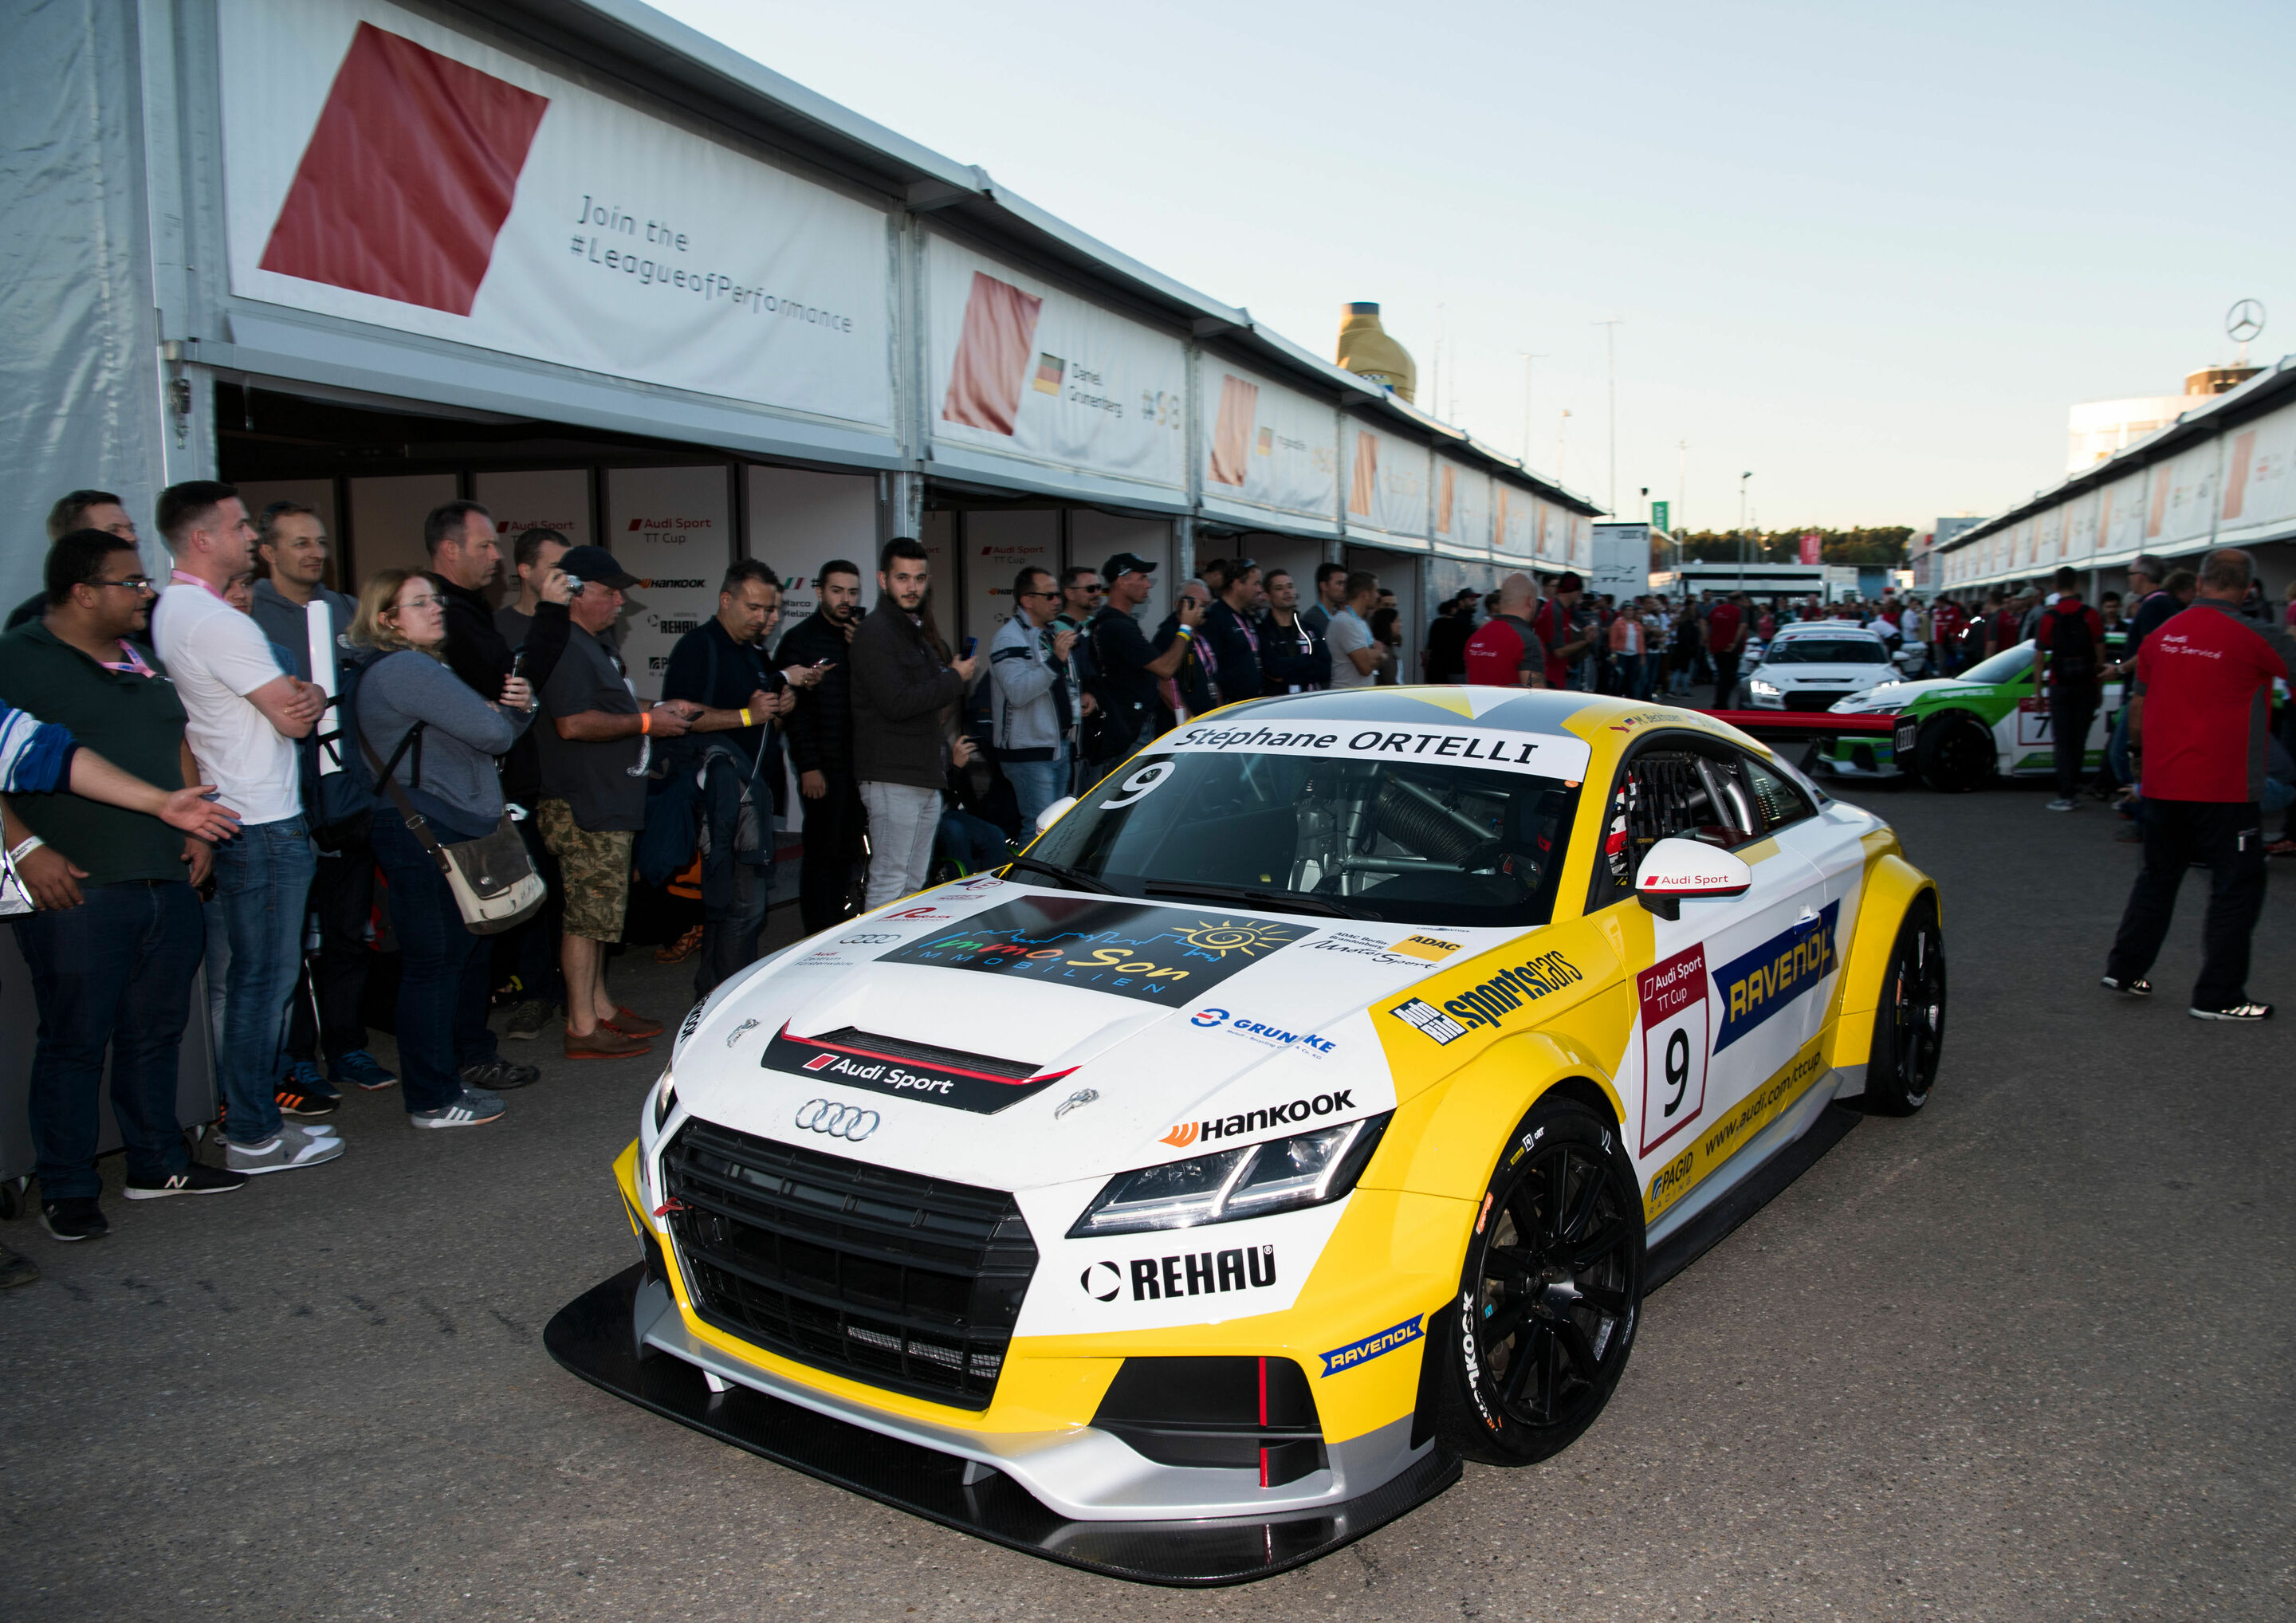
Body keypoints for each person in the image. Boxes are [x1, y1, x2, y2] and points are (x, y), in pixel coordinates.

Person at [0, 531, 247, 1244]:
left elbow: (176, 737)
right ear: (82, 592)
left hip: (164, 878)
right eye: (131, 583)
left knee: (156, 1032)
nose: (147, 594)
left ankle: (157, 1162)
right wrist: (24, 845)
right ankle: (69, 1186)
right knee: (75, 1040)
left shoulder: (140, 660)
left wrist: (196, 826)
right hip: (77, 886)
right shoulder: (17, 659)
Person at [152, 481, 345, 1177]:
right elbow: (298, 715)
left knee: (244, 983)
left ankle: (251, 1119)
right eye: (239, 528)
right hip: (261, 820)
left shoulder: (176, 610)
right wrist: (313, 694)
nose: (251, 540)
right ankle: (256, 1135)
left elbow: (286, 704)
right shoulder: (216, 621)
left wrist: (301, 696)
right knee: (265, 983)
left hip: (238, 813)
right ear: (202, 539)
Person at [352, 570, 538, 1124]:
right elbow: (495, 736)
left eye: (435, 600)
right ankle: (432, 1097)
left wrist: (509, 714)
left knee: (456, 957)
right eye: (419, 603)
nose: (437, 609)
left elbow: (493, 729)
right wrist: (510, 715)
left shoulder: (420, 666)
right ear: (388, 618)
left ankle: (453, 1075)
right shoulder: (406, 667)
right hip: (426, 831)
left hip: (433, 826)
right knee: (435, 964)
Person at [2103, 548, 2296, 1020]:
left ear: (2203, 580)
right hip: (2224, 786)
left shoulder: (2162, 635)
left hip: (2165, 782)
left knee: (2158, 876)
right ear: (2249, 588)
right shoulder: (2255, 632)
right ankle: (2219, 996)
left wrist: (2138, 767)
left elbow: (2137, 711)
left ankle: (2125, 969)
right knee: (2237, 886)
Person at [246, 501, 396, 1098]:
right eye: (299, 542)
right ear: (268, 551)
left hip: (345, 803)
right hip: (278, 804)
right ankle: (292, 1057)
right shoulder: (247, 612)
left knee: (344, 934)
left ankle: (347, 1047)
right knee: (285, 947)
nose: (314, 553)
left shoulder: (340, 611)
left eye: (320, 543)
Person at [534, 544, 692, 1059]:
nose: (619, 601)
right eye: (609, 592)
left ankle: (599, 1008)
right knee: (586, 916)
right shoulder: (567, 646)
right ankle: (582, 1026)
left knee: (601, 913)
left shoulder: (594, 644)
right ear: (577, 593)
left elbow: (615, 708)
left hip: (606, 799)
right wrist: (648, 722)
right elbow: (573, 723)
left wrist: (657, 709)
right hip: (583, 803)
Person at [661, 560, 807, 997]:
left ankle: (716, 992)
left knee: (738, 908)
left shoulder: (755, 653)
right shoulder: (698, 646)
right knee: (740, 907)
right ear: (726, 600)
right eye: (755, 607)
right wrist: (749, 713)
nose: (765, 617)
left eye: (770, 609)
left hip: (752, 797)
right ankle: (727, 999)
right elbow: (675, 715)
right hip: (721, 805)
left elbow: (762, 727)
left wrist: (780, 711)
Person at [851, 537, 976, 909]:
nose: (912, 587)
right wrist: (954, 679)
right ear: (883, 579)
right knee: (890, 881)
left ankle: (890, 962)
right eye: (903, 578)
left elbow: (924, 706)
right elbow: (897, 703)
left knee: (912, 885)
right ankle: (872, 964)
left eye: (919, 578)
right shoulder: (876, 633)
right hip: (892, 775)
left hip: (922, 773)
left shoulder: (913, 632)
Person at [775, 559, 865, 933]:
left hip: (861, 765)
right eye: (837, 590)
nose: (846, 599)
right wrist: (808, 766)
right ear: (819, 592)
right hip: (821, 768)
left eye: (853, 592)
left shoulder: (862, 637)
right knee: (821, 854)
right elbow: (791, 713)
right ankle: (817, 932)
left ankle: (843, 926)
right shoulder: (798, 640)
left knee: (851, 850)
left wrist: (862, 650)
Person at [990, 566, 1084, 829]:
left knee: (1055, 830)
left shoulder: (1050, 632)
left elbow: (1060, 684)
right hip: (1029, 753)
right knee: (1039, 830)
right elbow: (1018, 693)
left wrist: (1082, 698)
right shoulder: (1008, 638)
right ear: (1027, 600)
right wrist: (1056, 661)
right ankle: (1026, 873)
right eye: (1050, 596)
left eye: (1058, 595)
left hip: (1058, 746)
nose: (1057, 601)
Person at [1086, 552, 1199, 768]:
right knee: (1129, 800)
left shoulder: (1121, 623)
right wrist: (1185, 627)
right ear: (1122, 581)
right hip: (1126, 732)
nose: (1148, 585)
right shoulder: (1116, 626)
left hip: (1133, 726)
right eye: (1142, 578)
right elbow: (1165, 669)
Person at [2034, 567, 2105, 813]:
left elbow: (2040, 657)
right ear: (2077, 585)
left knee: (2062, 742)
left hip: (2059, 686)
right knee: (2079, 741)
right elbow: (2100, 655)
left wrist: (2038, 692)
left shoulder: (2049, 617)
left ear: (2055, 587)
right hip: (2086, 685)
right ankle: (2073, 788)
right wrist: (2099, 687)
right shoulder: (2091, 615)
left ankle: (2065, 794)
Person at [1196, 557, 1264, 705]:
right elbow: (1210, 668)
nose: (1260, 590)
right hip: (1230, 708)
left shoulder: (1249, 617)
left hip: (1252, 705)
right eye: (1256, 583)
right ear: (1238, 584)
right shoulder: (1215, 617)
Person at [1462, 572, 1547, 688]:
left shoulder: (1475, 637)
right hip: (1512, 706)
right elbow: (1536, 693)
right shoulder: (1528, 641)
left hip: (1477, 706)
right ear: (1531, 602)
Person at [1258, 568, 1326, 695]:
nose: (1287, 591)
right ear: (1267, 596)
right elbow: (1273, 669)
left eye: (1290, 586)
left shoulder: (1312, 630)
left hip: (1311, 704)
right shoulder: (1262, 631)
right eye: (1279, 588)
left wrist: (1286, 677)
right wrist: (1309, 660)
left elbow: (1325, 670)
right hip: (1275, 706)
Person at [1326, 571, 1389, 689]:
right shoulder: (1345, 622)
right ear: (1365, 595)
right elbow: (1365, 668)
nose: (1378, 596)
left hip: (1359, 696)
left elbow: (1371, 660)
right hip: (1346, 697)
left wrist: (1375, 655)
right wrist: (1379, 653)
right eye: (1375, 591)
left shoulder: (1361, 622)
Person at [1533, 572, 1592, 692]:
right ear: (1575, 591)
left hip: (1556, 675)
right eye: (1580, 592)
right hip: (1547, 678)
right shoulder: (1554, 610)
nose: (1580, 595)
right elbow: (1559, 652)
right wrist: (1586, 641)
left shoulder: (1565, 609)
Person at [1705, 588, 1747, 706]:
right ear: (1739, 600)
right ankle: (1722, 704)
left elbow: (1707, 626)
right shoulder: (1739, 611)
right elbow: (1742, 626)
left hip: (1717, 648)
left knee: (1722, 676)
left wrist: (1708, 642)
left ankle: (1720, 702)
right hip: (1731, 649)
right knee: (1729, 678)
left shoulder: (1716, 610)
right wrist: (1734, 643)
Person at [1424, 595, 1473, 684]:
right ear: (1454, 609)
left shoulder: (1437, 623)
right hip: (1455, 667)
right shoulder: (1460, 624)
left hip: (1436, 666)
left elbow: (1430, 646)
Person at [1607, 590, 1645, 698]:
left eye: (1631, 610)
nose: (1629, 612)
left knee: (1632, 679)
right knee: (1619, 679)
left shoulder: (1637, 625)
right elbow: (1613, 641)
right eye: (1627, 610)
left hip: (1634, 656)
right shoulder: (1618, 623)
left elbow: (1641, 641)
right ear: (1623, 611)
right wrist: (1614, 656)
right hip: (1621, 655)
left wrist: (1642, 656)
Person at [1299, 562, 1348, 638]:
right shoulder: (1312, 619)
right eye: (1339, 583)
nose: (1344, 589)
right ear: (1324, 586)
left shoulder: (1339, 615)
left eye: (1345, 584)